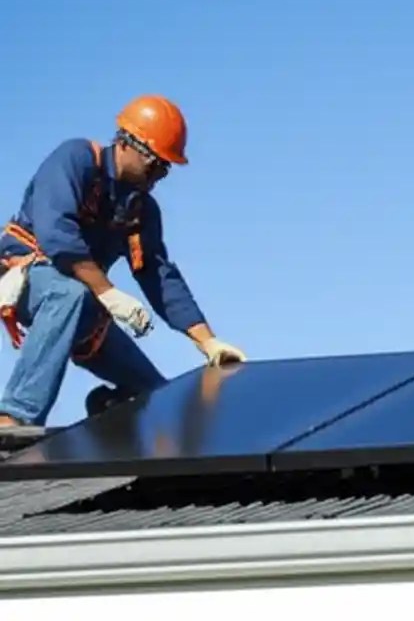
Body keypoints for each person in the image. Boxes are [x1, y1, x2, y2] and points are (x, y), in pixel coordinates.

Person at [0, 95, 246, 433]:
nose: (159, 175)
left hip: (84, 300)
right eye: (155, 163)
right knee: (68, 294)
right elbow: (57, 235)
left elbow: (158, 275)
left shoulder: (140, 210)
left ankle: (109, 423)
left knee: (156, 396)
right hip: (24, 276)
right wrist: (108, 292)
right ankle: (16, 417)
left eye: (166, 168)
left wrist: (208, 342)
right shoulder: (77, 160)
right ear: (127, 144)